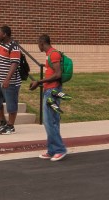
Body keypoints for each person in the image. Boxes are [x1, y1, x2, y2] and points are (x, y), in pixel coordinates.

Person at [27, 33, 67, 161]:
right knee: (52, 121)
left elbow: (58, 74)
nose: (38, 46)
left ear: (42, 43)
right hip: (50, 90)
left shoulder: (53, 54)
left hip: (53, 91)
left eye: (38, 44)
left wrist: (39, 82)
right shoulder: (49, 55)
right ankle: (51, 150)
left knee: (49, 121)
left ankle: (60, 149)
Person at [0, 25, 22, 135]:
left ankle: (10, 126)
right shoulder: (1, 45)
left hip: (10, 82)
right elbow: (2, 57)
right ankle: (3, 122)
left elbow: (14, 63)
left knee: (11, 105)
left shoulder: (14, 47)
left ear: (5, 34)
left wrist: (7, 79)